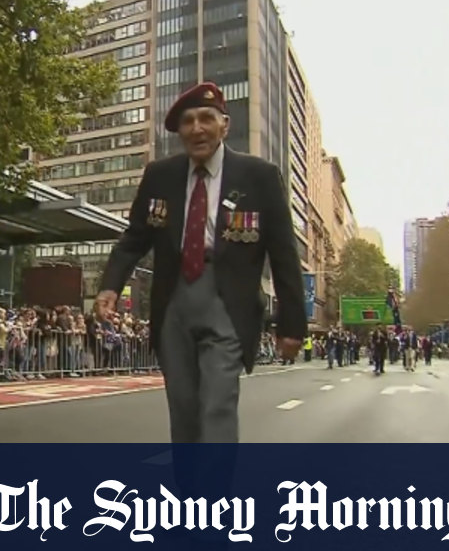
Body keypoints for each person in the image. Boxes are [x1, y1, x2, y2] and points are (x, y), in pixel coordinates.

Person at [95, 81, 307, 444]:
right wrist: (110, 285)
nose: (197, 129)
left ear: (225, 124)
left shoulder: (260, 176)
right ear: (179, 131)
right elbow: (134, 238)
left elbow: (284, 253)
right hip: (173, 302)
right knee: (184, 411)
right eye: (188, 121)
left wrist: (292, 325)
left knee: (216, 405)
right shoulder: (160, 176)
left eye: (207, 118)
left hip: (228, 303)